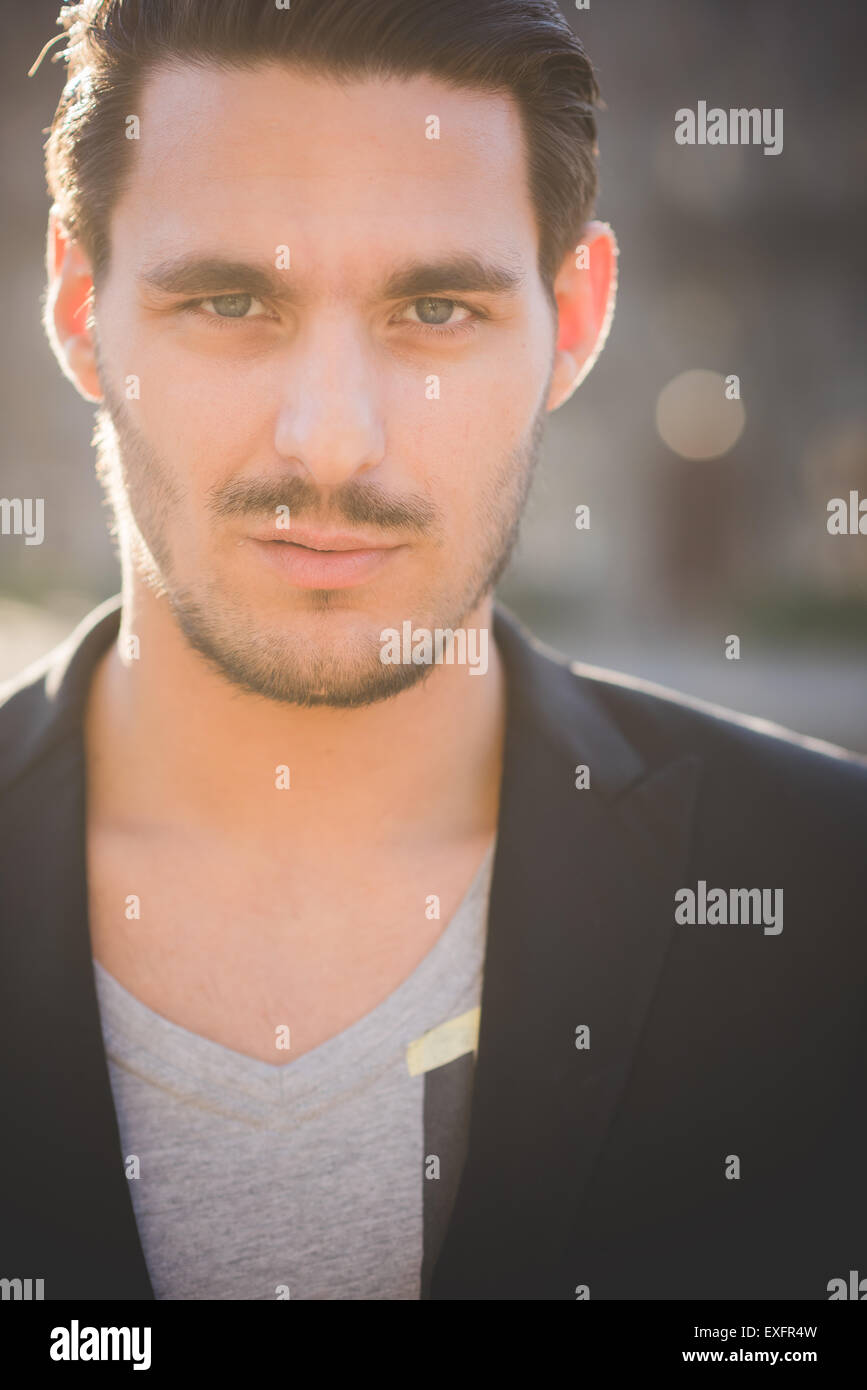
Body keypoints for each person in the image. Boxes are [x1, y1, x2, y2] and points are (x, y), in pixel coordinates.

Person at [1, 0, 864, 1302]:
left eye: (437, 309)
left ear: (576, 316)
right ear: (78, 305)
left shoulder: (834, 903)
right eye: (232, 299)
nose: (333, 443)